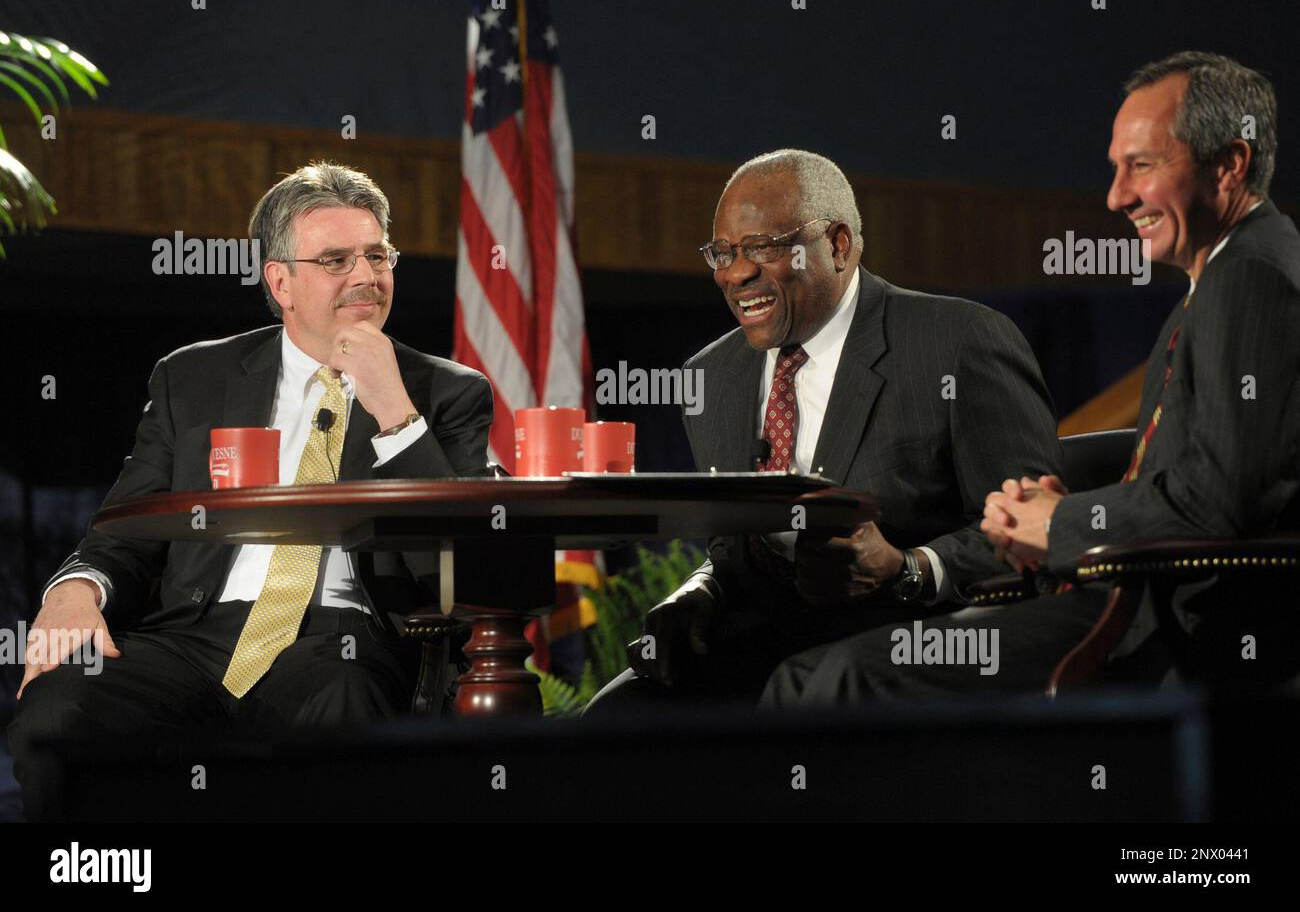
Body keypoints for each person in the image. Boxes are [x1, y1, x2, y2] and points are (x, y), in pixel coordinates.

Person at [8, 162, 494, 820]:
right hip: (194, 636)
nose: (366, 276)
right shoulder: (194, 377)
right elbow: (125, 528)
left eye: (377, 255)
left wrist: (395, 413)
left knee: (343, 704)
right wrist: (76, 587)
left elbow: (450, 566)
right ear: (281, 281)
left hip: (341, 638)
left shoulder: (448, 392)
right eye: (335, 259)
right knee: (57, 707)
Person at [587, 149, 1071, 713]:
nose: (735, 273)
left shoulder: (957, 343)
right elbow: (733, 549)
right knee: (611, 718)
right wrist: (702, 590)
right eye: (722, 253)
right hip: (763, 642)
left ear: (837, 245)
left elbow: (1035, 531)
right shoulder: (710, 377)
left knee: (807, 695)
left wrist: (905, 568)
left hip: (909, 636)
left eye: (762, 248)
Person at [981, 51, 1300, 692]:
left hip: (1173, 631)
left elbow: (1221, 498)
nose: (1117, 196)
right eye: (1116, 169)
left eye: (1142, 166)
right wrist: (1061, 504)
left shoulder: (1250, 279)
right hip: (1144, 599)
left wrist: (1062, 525)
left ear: (1229, 164)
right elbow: (1189, 458)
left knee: (844, 678)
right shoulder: (1225, 271)